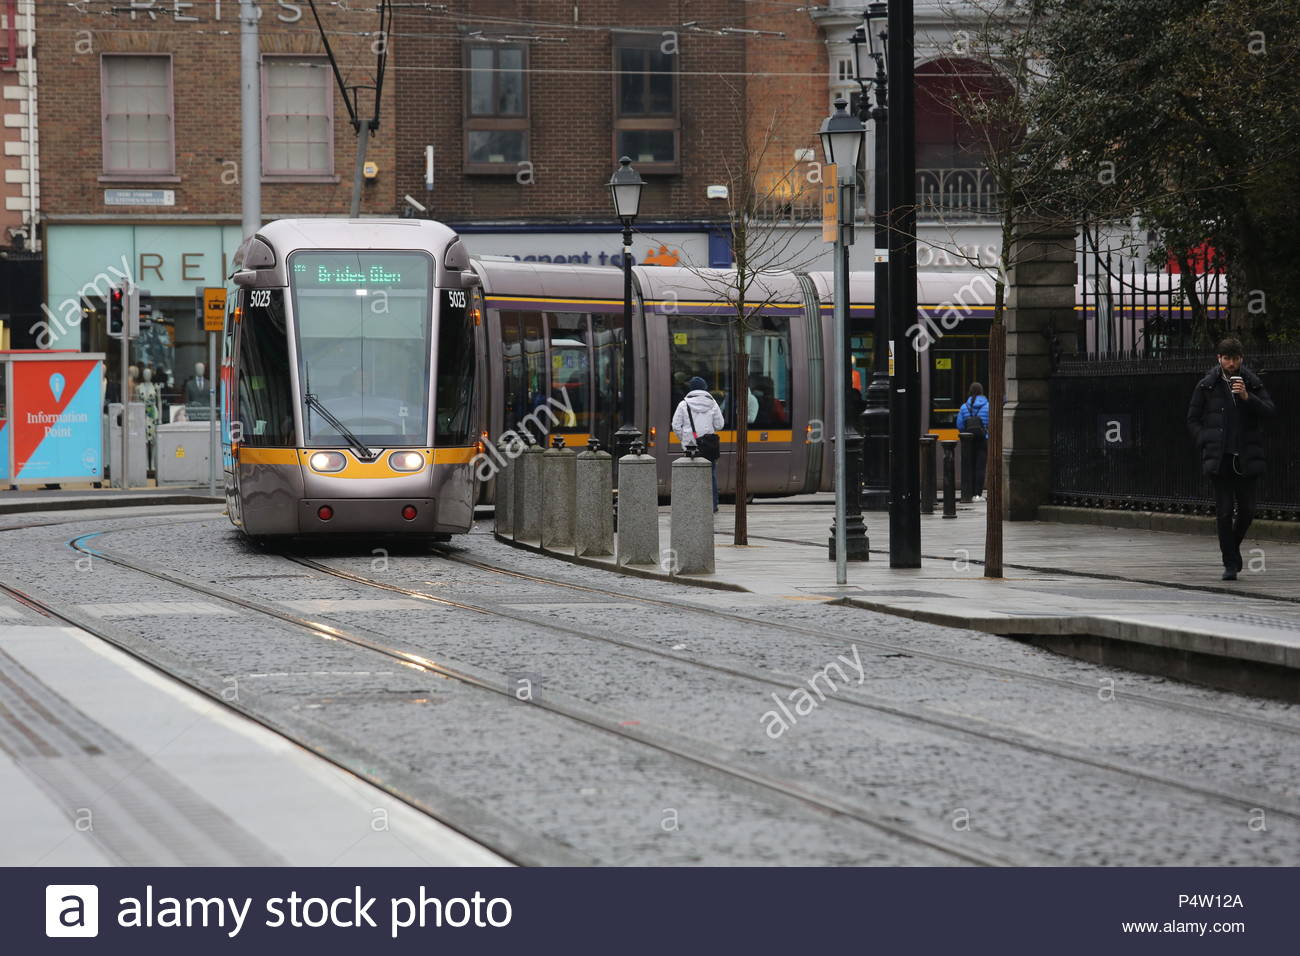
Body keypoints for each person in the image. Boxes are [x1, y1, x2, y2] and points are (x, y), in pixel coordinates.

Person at [1187, 337, 1276, 580]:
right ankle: (1230, 563)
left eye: (1235, 359)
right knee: (1225, 512)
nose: (1231, 363)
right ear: (1219, 359)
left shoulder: (1251, 383)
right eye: (1227, 359)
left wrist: (1248, 397)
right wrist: (1205, 438)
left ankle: (1232, 549)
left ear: (1241, 359)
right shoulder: (1207, 385)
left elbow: (1269, 411)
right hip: (1221, 459)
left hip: (1246, 458)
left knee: (1247, 511)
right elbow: (1192, 418)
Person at [672, 375, 724, 512]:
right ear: (705, 388)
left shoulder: (683, 404)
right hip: (708, 446)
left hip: (690, 447)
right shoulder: (712, 403)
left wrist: (684, 439)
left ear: (690, 389)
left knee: (689, 475)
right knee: (710, 476)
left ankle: (690, 504)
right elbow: (720, 424)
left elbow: (676, 426)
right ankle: (712, 505)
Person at [955, 382, 990, 500]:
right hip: (982, 440)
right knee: (980, 467)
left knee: (969, 466)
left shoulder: (964, 407)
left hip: (968, 442)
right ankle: (978, 494)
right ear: (982, 392)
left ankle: (968, 492)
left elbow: (959, 424)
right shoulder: (987, 406)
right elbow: (991, 423)